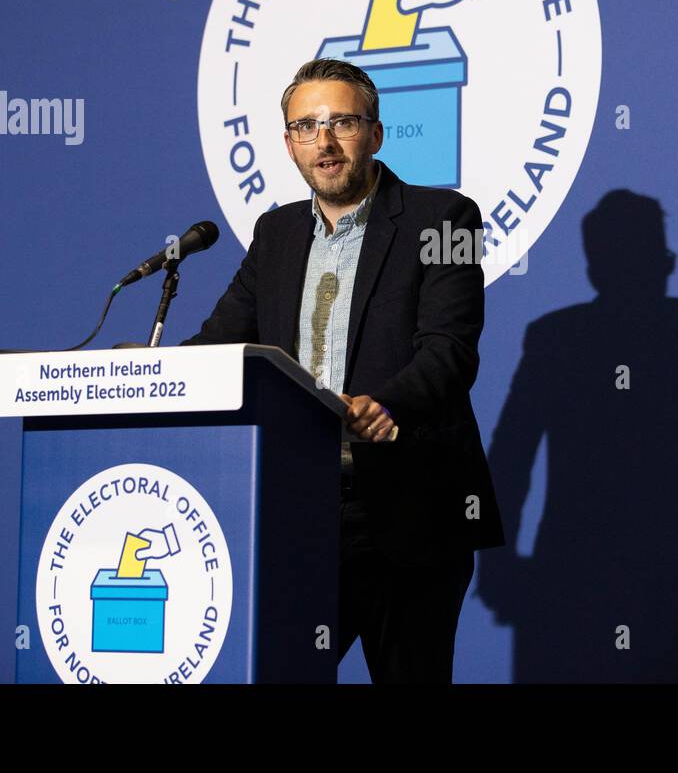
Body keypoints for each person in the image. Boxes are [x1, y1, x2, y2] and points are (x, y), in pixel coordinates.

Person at [182, 57, 504, 683]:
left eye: (341, 123)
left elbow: (449, 350)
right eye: (306, 127)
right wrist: (144, 378)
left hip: (407, 511)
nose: (323, 143)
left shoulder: (442, 219)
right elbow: (221, 345)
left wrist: (388, 406)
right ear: (287, 143)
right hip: (294, 509)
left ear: (375, 134)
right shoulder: (274, 234)